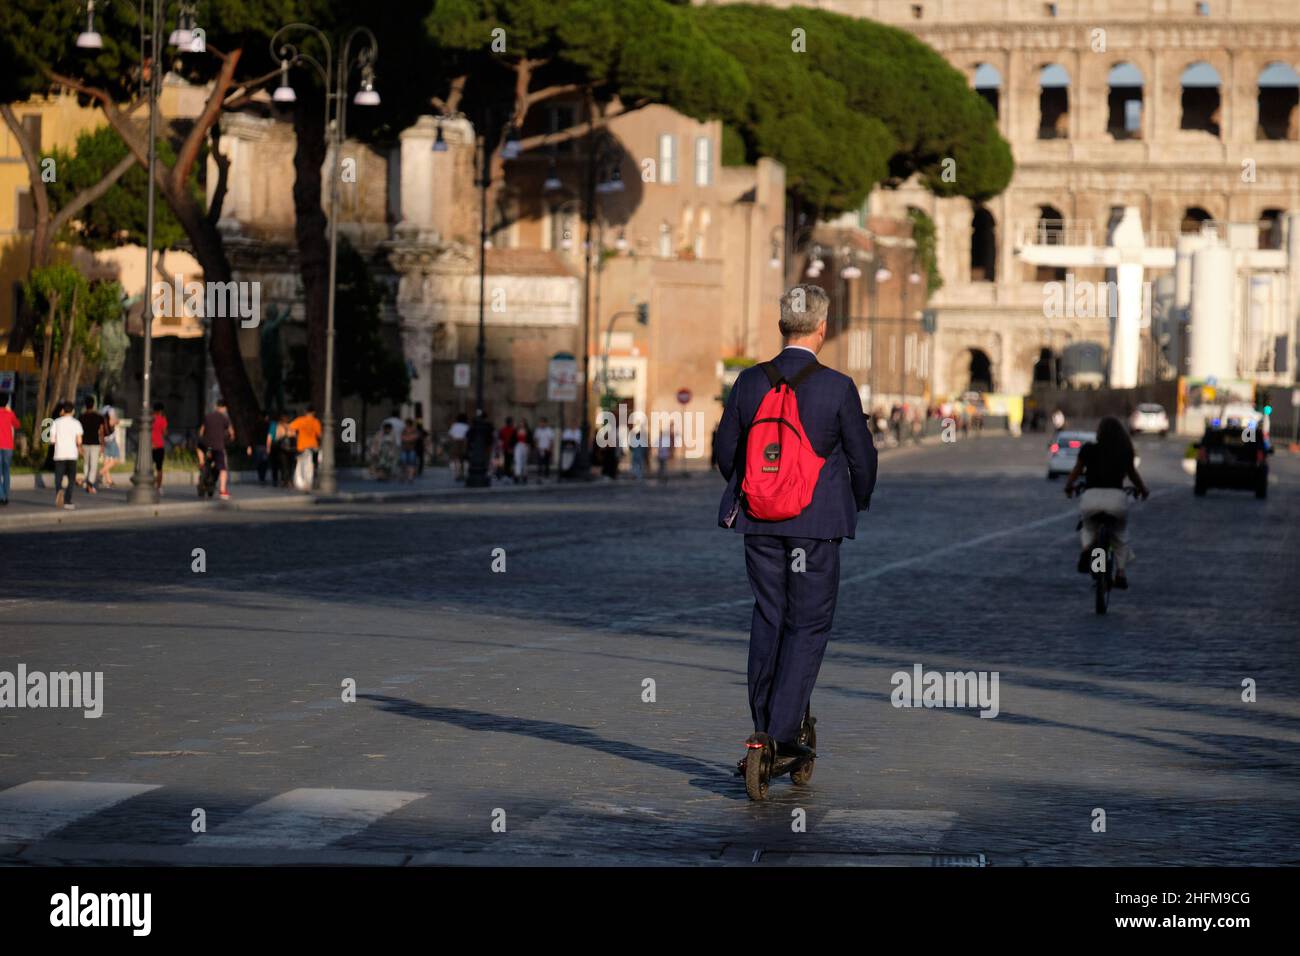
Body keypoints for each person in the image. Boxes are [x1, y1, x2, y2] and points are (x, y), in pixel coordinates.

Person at [714, 284, 877, 769]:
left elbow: (726, 451)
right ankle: (781, 735)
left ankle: (762, 726)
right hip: (816, 525)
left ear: (781, 324)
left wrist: (757, 490)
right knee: (807, 624)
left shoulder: (748, 382)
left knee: (769, 616)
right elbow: (862, 458)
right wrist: (858, 499)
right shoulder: (838, 388)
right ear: (822, 329)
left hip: (759, 524)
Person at [1064, 415, 1149, 589]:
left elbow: (1076, 471)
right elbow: (1133, 475)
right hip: (1116, 499)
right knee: (1119, 535)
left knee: (1089, 528)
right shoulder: (1125, 451)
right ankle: (1121, 573)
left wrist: (1069, 486)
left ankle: (1090, 552)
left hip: (1091, 497)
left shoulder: (1088, 449)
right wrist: (1143, 490)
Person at [198, 397, 235, 499]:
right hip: (218, 448)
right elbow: (231, 433)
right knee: (223, 469)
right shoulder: (224, 418)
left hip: (208, 447)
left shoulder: (208, 416)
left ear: (216, 406)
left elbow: (201, 432)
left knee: (207, 462)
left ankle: (202, 471)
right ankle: (223, 491)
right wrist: (230, 439)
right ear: (225, 408)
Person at [50, 401, 84, 510]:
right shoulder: (76, 423)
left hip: (59, 453)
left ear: (63, 411)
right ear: (73, 411)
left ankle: (59, 490)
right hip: (72, 454)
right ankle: (68, 500)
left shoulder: (56, 422)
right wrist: (80, 449)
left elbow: (52, 440)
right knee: (71, 478)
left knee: (58, 477)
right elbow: (79, 440)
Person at [289, 405, 322, 491]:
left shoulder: (300, 420)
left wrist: (295, 435)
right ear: (313, 412)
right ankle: (308, 483)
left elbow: (290, 427)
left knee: (300, 465)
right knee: (310, 466)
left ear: (305, 412)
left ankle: (300, 482)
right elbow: (319, 434)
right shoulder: (315, 421)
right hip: (312, 446)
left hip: (301, 446)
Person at [77, 396, 104, 495]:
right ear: (93, 405)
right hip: (95, 443)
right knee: (93, 465)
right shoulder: (99, 417)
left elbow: (79, 432)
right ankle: (90, 483)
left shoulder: (81, 417)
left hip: (84, 443)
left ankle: (87, 481)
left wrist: (78, 446)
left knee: (86, 463)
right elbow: (101, 432)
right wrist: (102, 444)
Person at [0, 393, 19, 505]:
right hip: (8, 445)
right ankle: (6, 495)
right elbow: (17, 425)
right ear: (6, 402)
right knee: (6, 471)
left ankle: (2, 496)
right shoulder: (10, 414)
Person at [100, 403, 120, 487]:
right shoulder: (110, 410)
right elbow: (112, 422)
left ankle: (109, 481)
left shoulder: (101, 411)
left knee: (106, 461)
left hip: (104, 439)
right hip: (111, 439)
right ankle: (99, 473)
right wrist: (116, 421)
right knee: (115, 460)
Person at [150, 401, 168, 494]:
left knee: (150, 467)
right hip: (160, 445)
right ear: (161, 410)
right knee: (159, 468)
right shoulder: (162, 419)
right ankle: (159, 487)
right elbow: (165, 433)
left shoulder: (150, 419)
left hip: (150, 446)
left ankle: (150, 485)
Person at [447, 412, 470, 481]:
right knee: (463, 459)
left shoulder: (454, 425)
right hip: (464, 443)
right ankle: (462, 473)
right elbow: (468, 436)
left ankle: (457, 474)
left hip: (455, 442)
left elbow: (450, 434)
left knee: (456, 459)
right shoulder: (466, 426)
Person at [513, 419, 530, 484]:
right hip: (518, 445)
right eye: (521, 423)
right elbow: (513, 439)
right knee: (518, 461)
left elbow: (529, 440)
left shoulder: (527, 431)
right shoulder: (516, 430)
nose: (521, 424)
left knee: (524, 461)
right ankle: (517, 475)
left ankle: (524, 475)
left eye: (523, 423)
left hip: (525, 446)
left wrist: (529, 446)